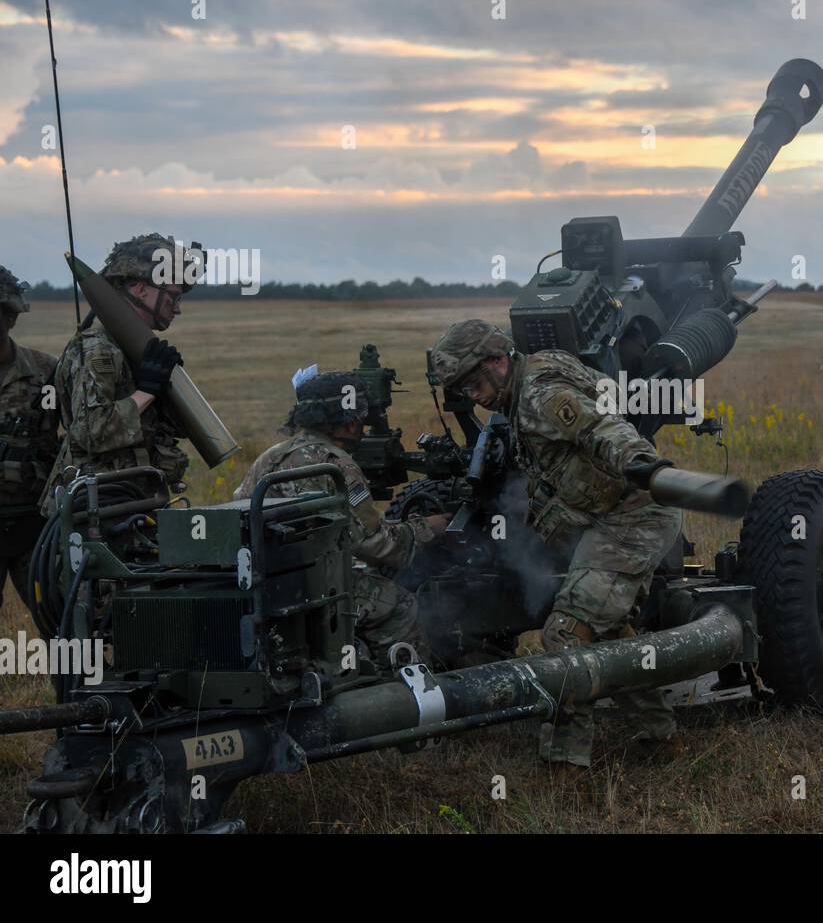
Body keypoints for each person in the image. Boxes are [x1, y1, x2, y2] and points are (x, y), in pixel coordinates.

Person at [431, 319, 684, 773]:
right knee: (607, 631)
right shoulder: (533, 375)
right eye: (462, 388)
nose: (473, 395)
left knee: (566, 633)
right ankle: (659, 736)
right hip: (603, 517)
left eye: (474, 382)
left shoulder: (538, 394)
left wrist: (642, 464)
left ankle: (564, 766)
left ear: (498, 361)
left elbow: (601, 430)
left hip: (635, 516)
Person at [233, 370, 448, 672]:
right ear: (348, 422)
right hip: (311, 585)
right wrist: (427, 528)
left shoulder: (270, 457)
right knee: (400, 604)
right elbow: (374, 544)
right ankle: (404, 688)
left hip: (265, 580)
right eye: (359, 420)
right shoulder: (337, 465)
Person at [39, 233, 192, 518]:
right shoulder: (99, 348)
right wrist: (145, 391)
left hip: (131, 501)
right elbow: (89, 431)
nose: (178, 308)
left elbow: (163, 429)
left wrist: (165, 391)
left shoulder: (132, 348)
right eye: (174, 296)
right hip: (94, 509)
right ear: (141, 288)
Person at [0, 266, 59, 615]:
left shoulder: (45, 373)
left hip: (34, 526)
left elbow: (79, 431)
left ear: (10, 317)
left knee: (58, 620)